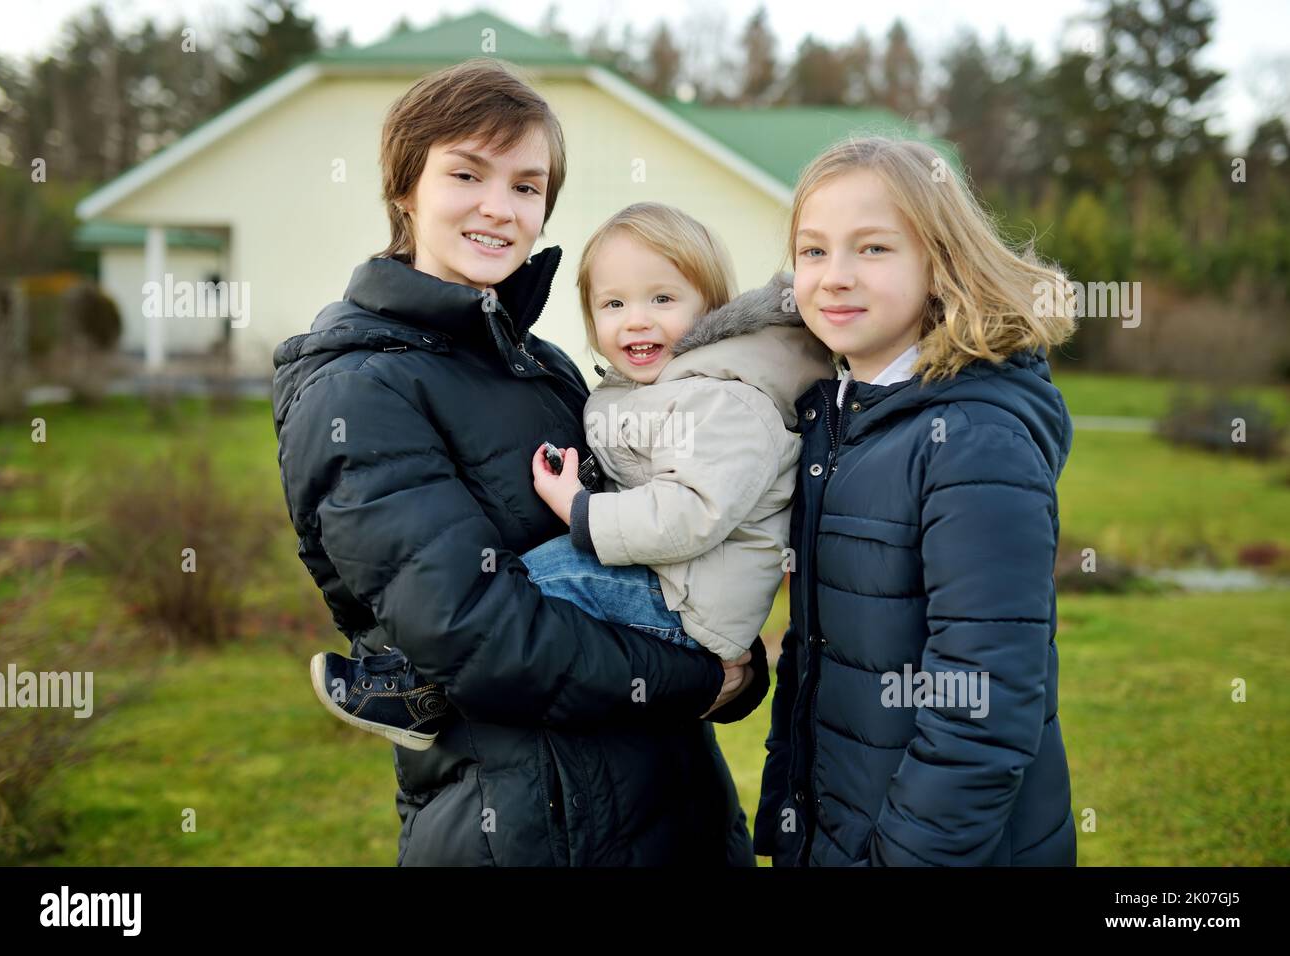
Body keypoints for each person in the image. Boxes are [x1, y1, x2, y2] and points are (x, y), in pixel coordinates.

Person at [272, 58, 765, 866]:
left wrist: (730, 648)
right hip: (531, 830)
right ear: (405, 189)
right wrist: (700, 679)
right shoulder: (358, 391)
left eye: (527, 186)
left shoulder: (545, 366)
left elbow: (649, 550)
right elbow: (479, 638)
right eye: (467, 174)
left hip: (675, 809)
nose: (499, 210)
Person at [755, 136, 1079, 866]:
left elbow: (982, 707)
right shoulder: (834, 422)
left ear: (940, 262)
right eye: (813, 252)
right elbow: (816, 663)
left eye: (872, 249)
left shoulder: (972, 440)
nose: (834, 277)